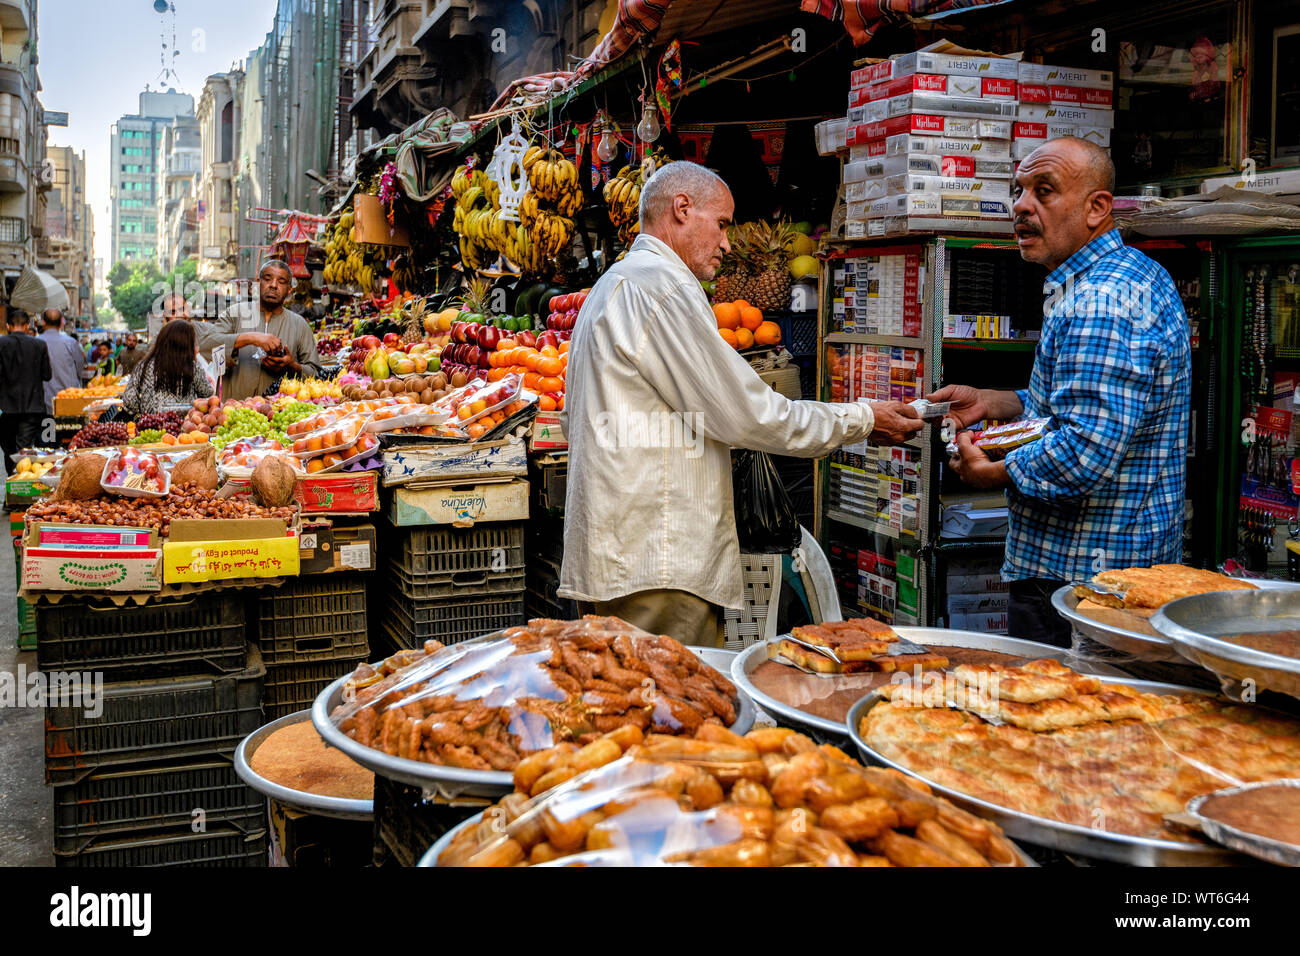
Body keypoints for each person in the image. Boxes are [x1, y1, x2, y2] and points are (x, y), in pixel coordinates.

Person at [557, 161, 922, 647]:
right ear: (682, 210)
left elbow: (572, 419)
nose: (727, 243)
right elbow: (748, 414)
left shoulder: (616, 283)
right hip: (658, 565)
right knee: (674, 711)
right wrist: (860, 419)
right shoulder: (662, 289)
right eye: (723, 224)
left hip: (624, 557)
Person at [928, 137, 1190, 647]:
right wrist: (994, 401)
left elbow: (1084, 450)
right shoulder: (1129, 274)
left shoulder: (1099, 302)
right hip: (1108, 576)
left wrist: (993, 471)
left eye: (1044, 192)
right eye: (1019, 191)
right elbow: (1076, 411)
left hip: (1082, 585)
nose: (1022, 206)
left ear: (1097, 208)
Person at [196, 259, 324, 400]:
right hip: (231, 412)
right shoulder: (235, 313)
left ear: (289, 290)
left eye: (281, 281)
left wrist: (291, 365)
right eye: (268, 279)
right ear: (258, 284)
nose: (273, 285)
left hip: (277, 414)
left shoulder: (299, 325)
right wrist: (249, 338)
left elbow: (316, 374)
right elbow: (206, 346)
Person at [121, 319, 213, 417]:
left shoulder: (144, 365)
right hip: (185, 427)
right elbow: (207, 393)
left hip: (150, 425)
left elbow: (129, 401)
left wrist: (144, 411)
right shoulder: (193, 367)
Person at [0, 309, 52, 470]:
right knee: (24, 448)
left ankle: (12, 478)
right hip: (32, 406)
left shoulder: (1, 344)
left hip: (6, 407)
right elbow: (47, 375)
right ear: (27, 325)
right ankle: (20, 483)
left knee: (8, 448)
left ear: (8, 326)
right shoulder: (39, 345)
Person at [39, 309, 84, 416]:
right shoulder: (70, 343)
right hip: (69, 398)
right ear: (61, 323)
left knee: (47, 431)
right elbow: (80, 366)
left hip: (44, 400)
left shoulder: (36, 342)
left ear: (43, 322)